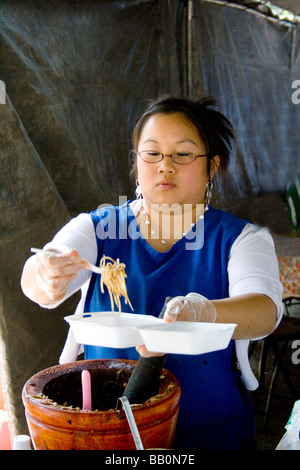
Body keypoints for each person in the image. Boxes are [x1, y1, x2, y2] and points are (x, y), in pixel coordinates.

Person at [21, 96, 283, 450]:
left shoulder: (240, 238)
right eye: (152, 153)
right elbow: (40, 278)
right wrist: (45, 274)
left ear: (212, 166)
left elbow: (265, 311)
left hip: (207, 428)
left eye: (183, 154)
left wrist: (203, 311)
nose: (165, 166)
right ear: (137, 164)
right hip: (109, 432)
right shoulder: (99, 229)